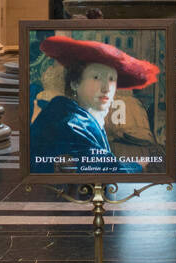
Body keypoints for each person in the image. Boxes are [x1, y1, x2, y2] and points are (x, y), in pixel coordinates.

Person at [30, 35, 160, 174]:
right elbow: (103, 169)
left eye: (111, 79)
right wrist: (138, 166)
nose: (106, 88)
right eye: (97, 77)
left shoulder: (78, 114)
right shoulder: (69, 122)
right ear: (75, 83)